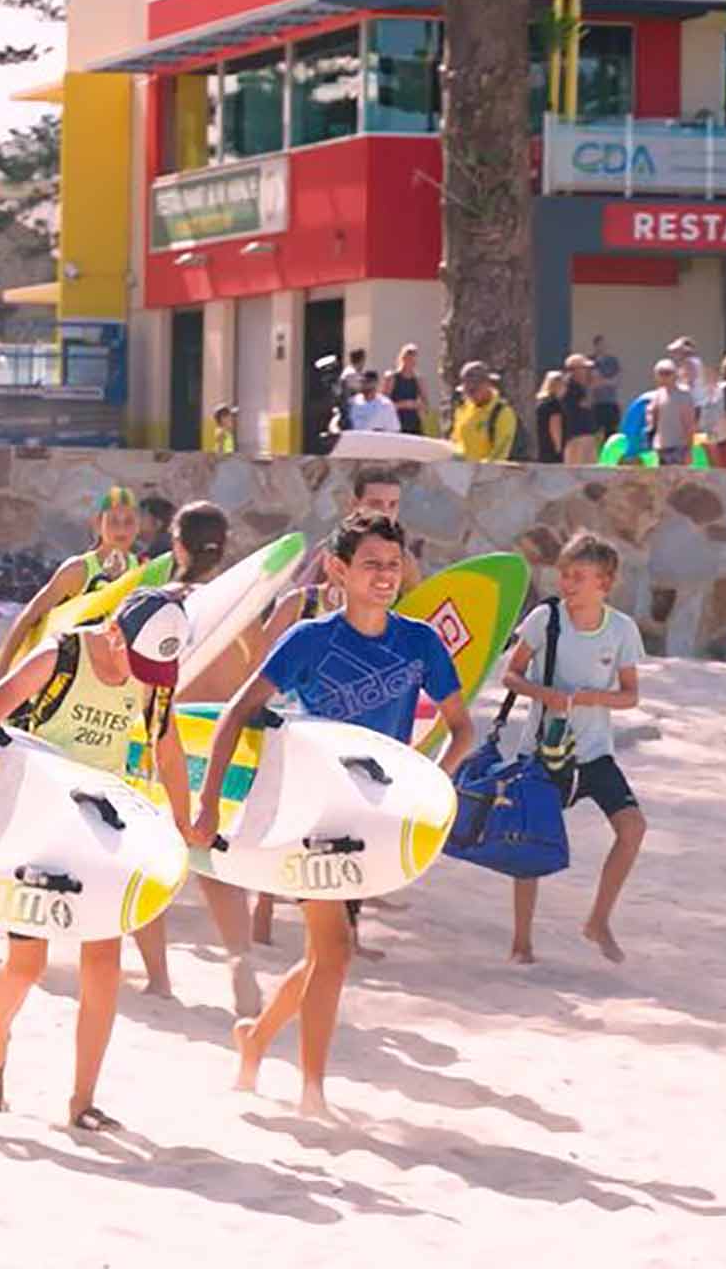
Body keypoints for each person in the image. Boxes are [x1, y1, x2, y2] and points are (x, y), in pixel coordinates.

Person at [0, 588, 201, 1133]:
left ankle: (83, 1102)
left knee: (104, 964)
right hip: (34, 824)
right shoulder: (58, 659)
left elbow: (167, 746)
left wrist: (184, 821)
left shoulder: (152, 677)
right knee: (27, 965)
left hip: (101, 831)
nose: (143, 676)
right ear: (114, 632)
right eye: (136, 660)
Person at [200, 513, 476, 1122]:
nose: (385, 576)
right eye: (372, 565)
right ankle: (312, 1093)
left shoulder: (420, 641)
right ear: (339, 570)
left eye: (393, 564)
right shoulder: (309, 640)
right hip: (312, 811)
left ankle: (257, 1039)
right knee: (336, 948)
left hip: (375, 816)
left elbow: (461, 730)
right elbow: (233, 716)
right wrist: (208, 802)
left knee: (332, 950)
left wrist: (433, 790)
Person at [249, 470, 423, 954]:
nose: (387, 510)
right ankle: (262, 916)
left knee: (356, 827)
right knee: (280, 820)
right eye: (378, 501)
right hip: (296, 726)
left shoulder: (395, 565)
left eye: (394, 502)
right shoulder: (311, 590)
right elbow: (265, 661)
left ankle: (346, 934)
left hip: (360, 724)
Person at [500, 532, 644, 966]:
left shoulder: (621, 629)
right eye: (564, 574)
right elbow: (511, 675)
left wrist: (588, 698)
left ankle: (598, 921)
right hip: (543, 751)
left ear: (605, 582)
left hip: (595, 753)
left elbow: (630, 695)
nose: (567, 584)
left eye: (578, 576)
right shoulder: (546, 619)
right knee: (530, 845)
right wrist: (547, 695)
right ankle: (521, 943)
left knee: (633, 828)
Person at [145, 501, 267, 1012]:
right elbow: (261, 672)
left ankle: (159, 979)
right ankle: (240, 961)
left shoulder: (157, 604)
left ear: (177, 546)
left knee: (149, 856)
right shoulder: (239, 612)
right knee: (213, 861)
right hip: (222, 744)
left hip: (170, 737)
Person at [0, 486, 142, 693]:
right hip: (69, 672)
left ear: (138, 525)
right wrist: (1, 673)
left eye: (129, 521)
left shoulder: (138, 569)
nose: (121, 530)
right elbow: (29, 616)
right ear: (97, 523)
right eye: (113, 521)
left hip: (110, 677)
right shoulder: (79, 570)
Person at [450, 359, 518, 462]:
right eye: (467, 391)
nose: (470, 395)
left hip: (490, 475)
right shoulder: (463, 410)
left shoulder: (502, 413)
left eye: (474, 390)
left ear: (488, 385)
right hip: (463, 473)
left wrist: (478, 471)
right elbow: (456, 442)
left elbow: (500, 455)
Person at [645, 358, 698, 466]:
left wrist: (689, 450)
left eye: (668, 373)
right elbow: (652, 420)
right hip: (662, 447)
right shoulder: (658, 395)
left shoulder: (684, 395)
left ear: (675, 375)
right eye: (661, 373)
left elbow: (689, 424)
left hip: (679, 448)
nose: (664, 377)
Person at [560, 354, 600, 465]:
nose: (587, 372)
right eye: (584, 368)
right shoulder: (569, 387)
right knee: (577, 472)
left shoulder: (582, 387)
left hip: (587, 435)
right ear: (575, 370)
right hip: (577, 436)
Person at [531, 369, 571, 464]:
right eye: (564, 384)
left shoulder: (540, 402)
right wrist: (558, 448)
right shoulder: (554, 405)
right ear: (557, 385)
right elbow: (555, 426)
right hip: (551, 449)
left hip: (540, 446)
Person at [387, 345, 426, 437]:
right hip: (396, 423)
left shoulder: (418, 379)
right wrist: (403, 404)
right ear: (402, 358)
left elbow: (425, 404)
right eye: (408, 358)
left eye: (413, 359)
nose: (411, 362)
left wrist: (419, 406)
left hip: (414, 425)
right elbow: (384, 404)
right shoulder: (392, 378)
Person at [588, 336, 622, 437]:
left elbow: (616, 381)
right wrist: (607, 381)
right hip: (595, 403)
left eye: (604, 345)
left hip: (610, 402)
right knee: (594, 434)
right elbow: (591, 383)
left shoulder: (613, 361)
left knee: (611, 434)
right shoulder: (590, 361)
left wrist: (600, 380)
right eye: (599, 344)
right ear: (595, 346)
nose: (602, 347)